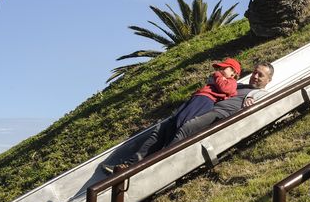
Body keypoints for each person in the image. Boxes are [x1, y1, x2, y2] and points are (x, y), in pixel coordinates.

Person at [102, 57, 246, 173]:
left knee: (179, 127)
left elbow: (226, 89)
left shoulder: (231, 82)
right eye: (219, 68)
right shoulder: (221, 78)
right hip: (196, 100)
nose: (219, 70)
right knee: (167, 128)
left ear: (233, 72)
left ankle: (150, 165)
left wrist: (217, 76)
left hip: (203, 102)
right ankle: (130, 164)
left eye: (223, 68)